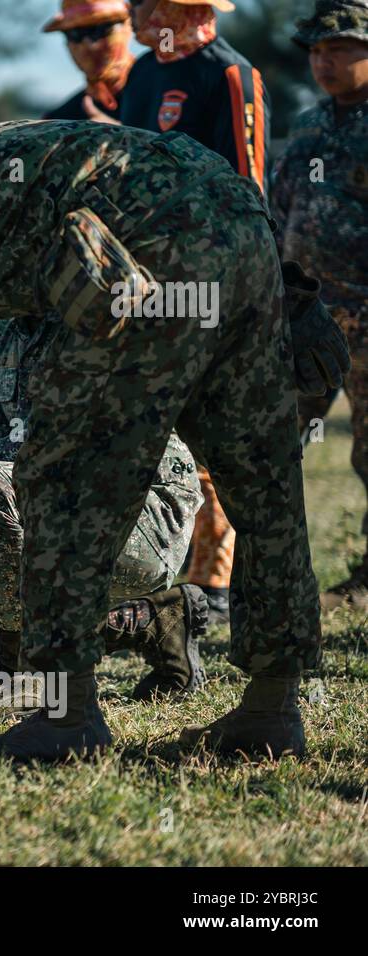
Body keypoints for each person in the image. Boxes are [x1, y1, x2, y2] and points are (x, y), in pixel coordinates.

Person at [0, 117, 347, 760]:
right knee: (261, 476)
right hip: (238, 222)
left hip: (155, 257)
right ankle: (274, 707)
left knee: (59, 481)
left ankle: (66, 711)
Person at [87, 0, 273, 626]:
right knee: (146, 431)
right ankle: (151, 577)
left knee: (213, 431)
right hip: (139, 286)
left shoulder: (229, 75)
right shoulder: (142, 76)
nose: (134, 12)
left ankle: (215, 583)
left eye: (146, 2)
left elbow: (248, 187)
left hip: (207, 283)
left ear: (183, 8)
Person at [0, 315, 207, 701]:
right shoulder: (5, 332)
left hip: (138, 515)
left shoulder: (102, 317)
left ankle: (31, 668)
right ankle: (153, 618)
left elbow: (70, 457)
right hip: (44, 515)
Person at [272, 0, 368, 608]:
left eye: (337, 48)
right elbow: (279, 207)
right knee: (275, 442)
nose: (322, 61)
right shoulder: (307, 126)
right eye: (315, 50)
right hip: (305, 317)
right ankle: (276, 581)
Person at [41, 0, 137, 121]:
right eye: (75, 34)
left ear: (130, 26)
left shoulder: (162, 89)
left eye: (102, 29)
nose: (90, 46)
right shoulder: (60, 119)